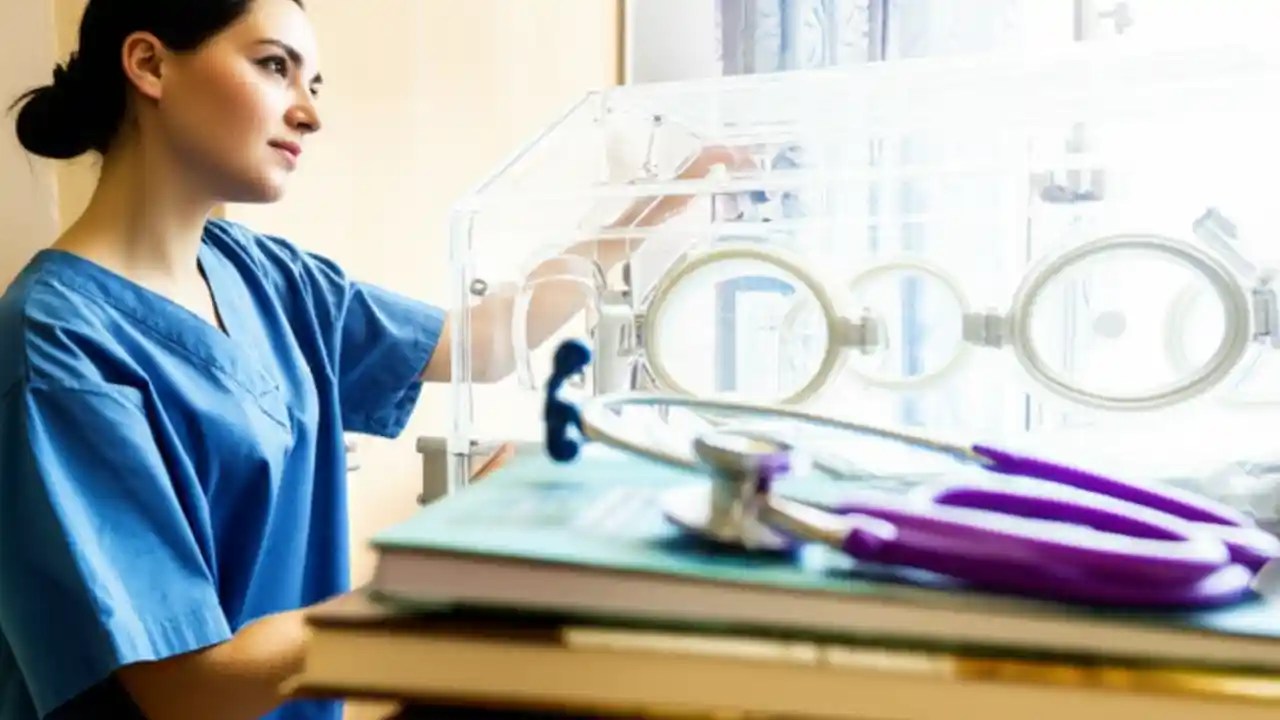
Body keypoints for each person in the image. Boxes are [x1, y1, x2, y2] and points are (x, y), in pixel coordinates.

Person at [0, 1, 744, 720]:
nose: (310, 113)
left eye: (313, 84)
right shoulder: (59, 344)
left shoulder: (266, 276)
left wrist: (645, 210)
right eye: (274, 67)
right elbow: (191, 691)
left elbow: (482, 341)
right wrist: (448, 566)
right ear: (149, 64)